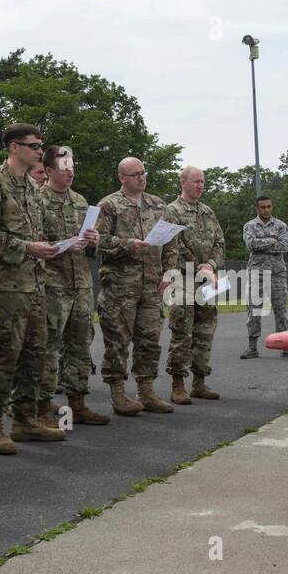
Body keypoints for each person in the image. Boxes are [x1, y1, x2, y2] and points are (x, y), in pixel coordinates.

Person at [0, 123, 65, 453]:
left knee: (35, 356)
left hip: (36, 284)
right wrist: (28, 247)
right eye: (34, 146)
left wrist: (55, 245)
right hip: (5, 287)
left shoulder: (32, 187)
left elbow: (39, 233)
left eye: (40, 146)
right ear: (14, 147)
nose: (40, 151)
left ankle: (25, 420)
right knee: (4, 356)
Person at [94, 157, 177, 415]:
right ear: (122, 178)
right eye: (134, 174)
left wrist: (169, 272)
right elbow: (97, 241)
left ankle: (147, 391)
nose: (141, 178)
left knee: (150, 340)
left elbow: (171, 242)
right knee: (118, 341)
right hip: (120, 288)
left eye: (142, 172)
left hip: (152, 285)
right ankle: (118, 394)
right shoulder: (109, 205)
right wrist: (128, 244)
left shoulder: (158, 204)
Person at [37, 145, 110, 426]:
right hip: (51, 284)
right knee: (48, 347)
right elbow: (33, 243)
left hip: (80, 283)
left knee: (81, 345)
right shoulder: (37, 200)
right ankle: (42, 408)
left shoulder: (81, 202)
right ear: (49, 171)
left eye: (72, 168)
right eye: (65, 169)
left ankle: (78, 404)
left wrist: (93, 242)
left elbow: (92, 250)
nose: (70, 173)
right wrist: (61, 246)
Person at [163, 166, 225, 403]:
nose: (200, 185)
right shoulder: (171, 211)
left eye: (202, 181)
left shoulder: (208, 212)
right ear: (183, 182)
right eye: (196, 181)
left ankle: (199, 382)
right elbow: (171, 246)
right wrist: (196, 265)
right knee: (182, 331)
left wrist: (209, 264)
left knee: (205, 331)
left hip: (207, 280)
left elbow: (219, 242)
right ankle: (177, 385)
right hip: (182, 279)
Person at [241, 196, 288, 359]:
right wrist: (272, 241)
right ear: (257, 208)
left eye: (269, 207)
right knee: (254, 311)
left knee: (281, 311)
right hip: (256, 273)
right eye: (263, 207)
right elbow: (251, 245)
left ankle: (286, 346)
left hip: (277, 274)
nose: (266, 210)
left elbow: (284, 246)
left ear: (272, 207)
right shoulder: (249, 226)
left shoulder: (281, 226)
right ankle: (252, 348)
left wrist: (263, 244)